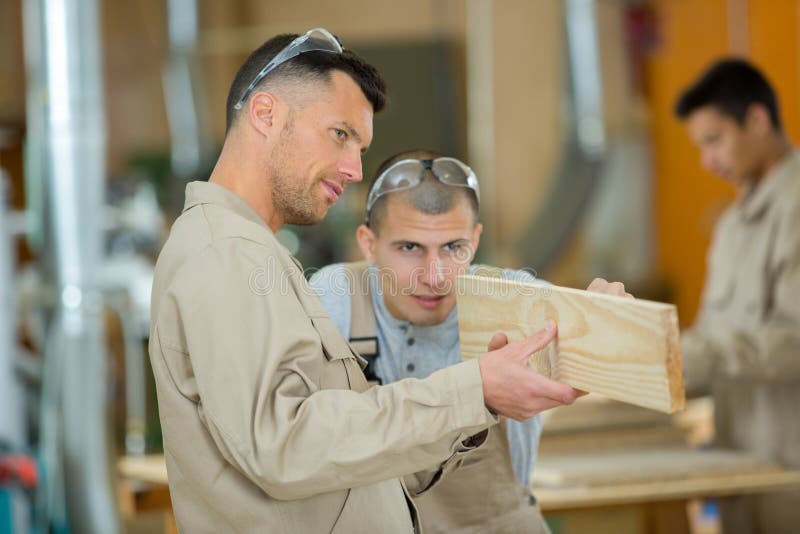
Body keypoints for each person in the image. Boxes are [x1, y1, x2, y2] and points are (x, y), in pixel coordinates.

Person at [149, 28, 586, 533]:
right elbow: (284, 445)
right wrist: (474, 390)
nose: (355, 170)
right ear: (265, 114)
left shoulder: (249, 249)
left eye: (360, 147)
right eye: (340, 134)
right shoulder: (227, 253)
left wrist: (484, 397)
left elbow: (338, 454)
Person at [310, 149, 632, 533]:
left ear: (475, 239)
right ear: (368, 243)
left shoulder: (512, 300)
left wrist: (610, 322)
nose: (435, 276)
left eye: (453, 247)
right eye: (410, 248)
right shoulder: (334, 299)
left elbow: (599, 339)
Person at [675, 58, 800, 533]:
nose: (707, 161)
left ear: (758, 119)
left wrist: (690, 354)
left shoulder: (795, 210)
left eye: (715, 139)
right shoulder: (730, 226)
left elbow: (793, 342)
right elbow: (710, 340)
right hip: (738, 467)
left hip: (790, 474)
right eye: (700, 147)